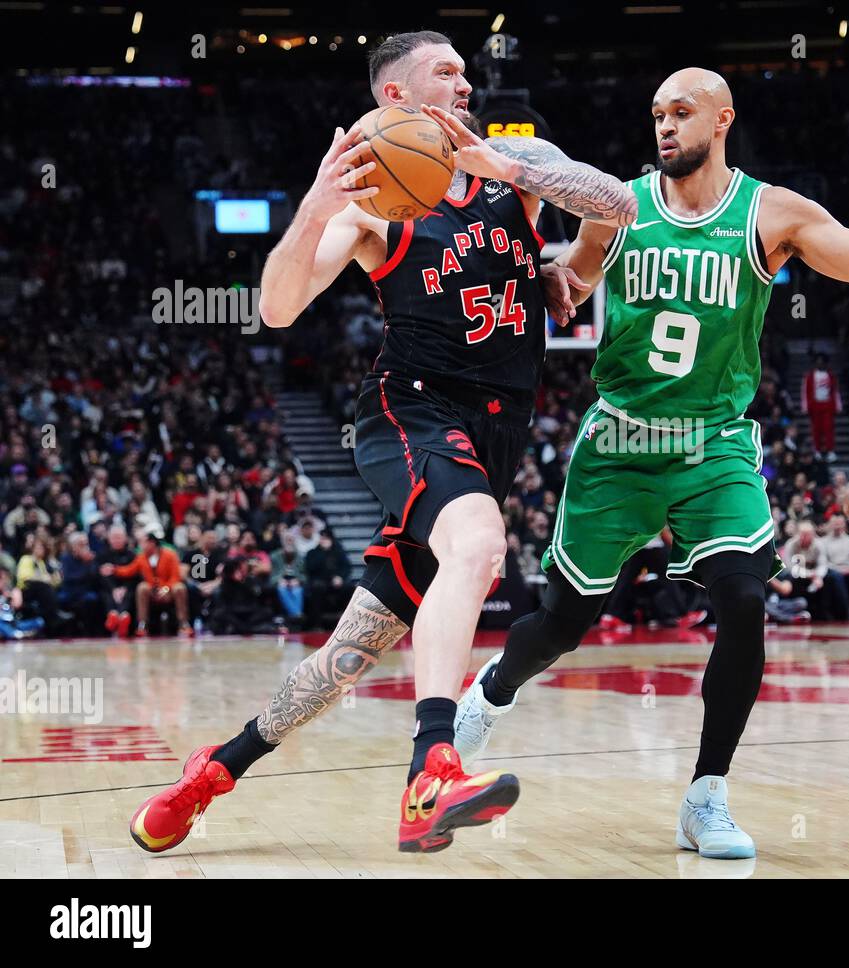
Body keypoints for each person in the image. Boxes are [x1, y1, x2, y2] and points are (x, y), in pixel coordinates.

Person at [128, 29, 635, 856]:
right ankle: (431, 770)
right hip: (410, 413)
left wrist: (516, 187)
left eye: (467, 72)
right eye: (447, 73)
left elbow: (618, 203)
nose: (466, 85)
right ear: (395, 98)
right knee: (478, 544)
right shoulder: (372, 195)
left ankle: (208, 774)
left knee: (347, 654)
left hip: (493, 439)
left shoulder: (516, 163)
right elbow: (281, 306)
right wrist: (315, 209)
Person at [452, 66, 849, 859]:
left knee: (744, 598)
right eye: (656, 114)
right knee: (564, 624)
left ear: (722, 120)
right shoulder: (622, 202)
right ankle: (494, 690)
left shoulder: (771, 212)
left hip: (713, 440)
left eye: (681, 112)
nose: (665, 125)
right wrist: (558, 280)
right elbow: (580, 273)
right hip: (621, 441)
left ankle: (705, 796)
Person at [102, 528, 192, 637]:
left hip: (168, 590)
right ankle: (142, 624)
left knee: (180, 587)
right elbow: (129, 570)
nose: (140, 545)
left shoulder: (170, 555)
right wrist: (114, 569)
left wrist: (165, 589)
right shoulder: (141, 557)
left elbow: (175, 577)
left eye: (142, 542)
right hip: (152, 590)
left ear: (152, 543)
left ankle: (183, 623)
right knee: (142, 587)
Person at [802, 353, 841, 461]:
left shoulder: (830, 375)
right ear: (815, 363)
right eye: (818, 361)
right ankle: (817, 450)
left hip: (827, 405)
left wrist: (838, 405)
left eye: (822, 362)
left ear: (825, 363)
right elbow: (805, 392)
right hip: (815, 405)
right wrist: (805, 407)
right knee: (816, 429)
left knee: (829, 428)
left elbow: (835, 391)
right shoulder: (810, 376)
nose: (820, 363)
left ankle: (830, 451)